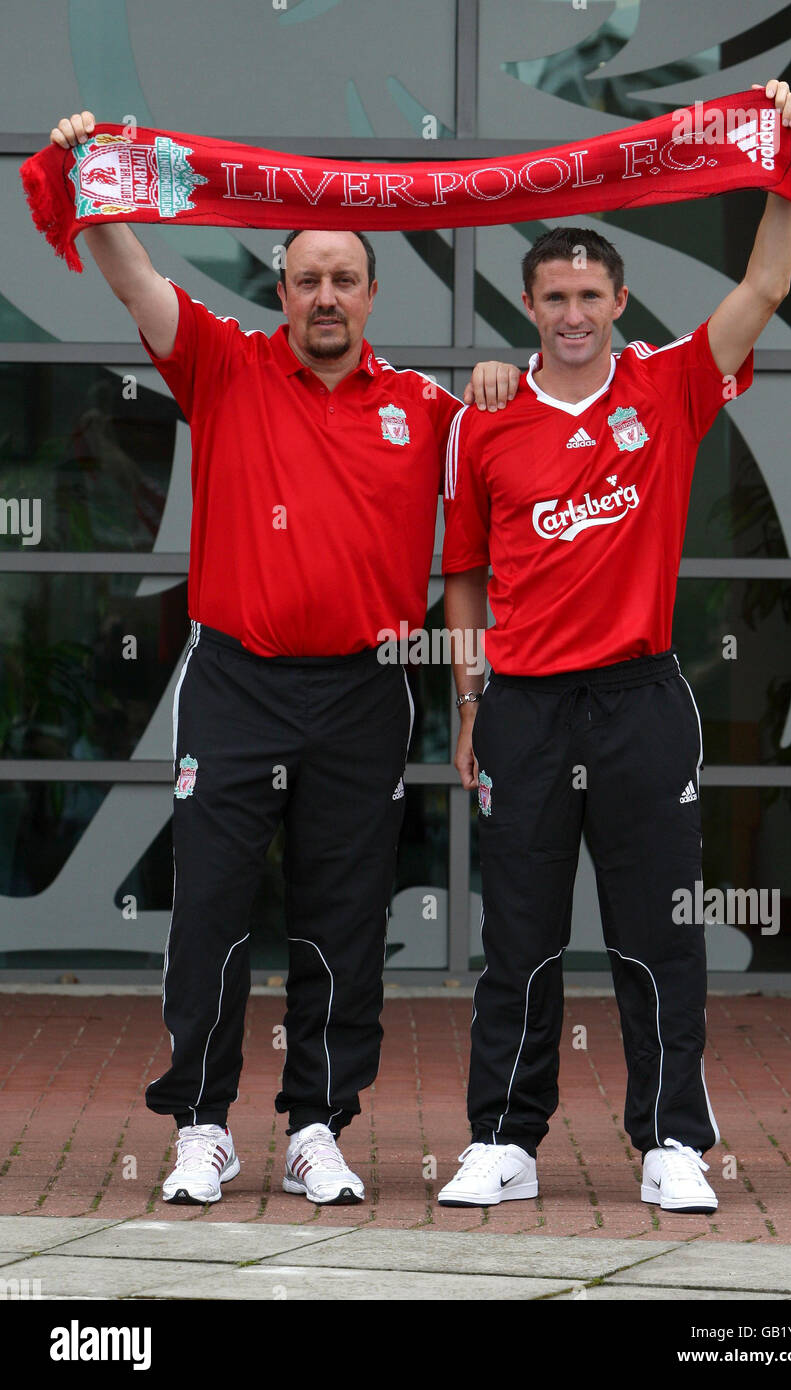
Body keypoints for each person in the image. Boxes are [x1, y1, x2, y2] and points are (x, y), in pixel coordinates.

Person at [50, 111, 519, 1208]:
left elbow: (519, 450)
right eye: (305, 277)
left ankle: (317, 1124)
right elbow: (129, 273)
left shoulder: (425, 409)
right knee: (210, 904)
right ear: (280, 293)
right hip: (235, 682)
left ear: (368, 297)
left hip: (365, 691)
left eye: (342, 279)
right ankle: (201, 1125)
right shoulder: (222, 367)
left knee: (344, 913)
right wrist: (93, 171)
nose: (323, 296)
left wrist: (501, 378)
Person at [438, 80, 791, 1212]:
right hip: (522, 707)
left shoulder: (670, 383)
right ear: (527, 301)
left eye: (588, 293)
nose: (570, 313)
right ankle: (503, 1139)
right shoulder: (483, 416)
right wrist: (466, 700)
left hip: (642, 699)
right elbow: (460, 578)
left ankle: (673, 1143)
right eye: (551, 294)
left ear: (619, 297)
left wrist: (787, 153)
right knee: (518, 935)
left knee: (659, 932)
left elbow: (767, 283)